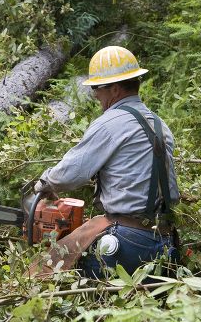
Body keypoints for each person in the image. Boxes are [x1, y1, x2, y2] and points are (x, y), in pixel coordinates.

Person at [34, 46, 180, 278]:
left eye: (96, 87)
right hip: (164, 240)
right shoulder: (161, 126)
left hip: (126, 242)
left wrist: (44, 184)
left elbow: (70, 173)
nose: (94, 94)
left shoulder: (110, 122)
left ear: (114, 88)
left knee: (49, 272)